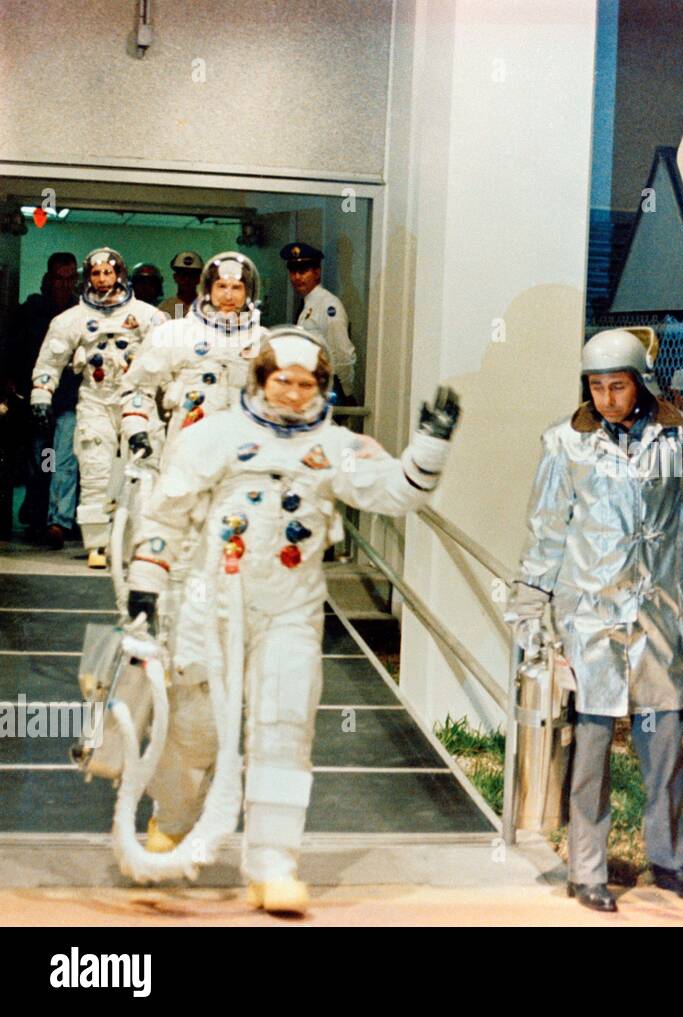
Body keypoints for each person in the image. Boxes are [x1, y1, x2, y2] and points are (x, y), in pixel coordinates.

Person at [124, 326, 461, 915]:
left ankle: (273, 863)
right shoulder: (215, 436)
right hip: (213, 601)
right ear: (260, 379)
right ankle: (172, 818)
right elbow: (167, 513)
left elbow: (395, 494)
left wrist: (428, 448)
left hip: (291, 607)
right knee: (195, 725)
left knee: (284, 729)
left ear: (321, 388)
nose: (294, 393)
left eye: (306, 384)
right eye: (283, 380)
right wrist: (146, 586)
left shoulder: (336, 445)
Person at [506, 328, 683, 914]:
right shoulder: (566, 444)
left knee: (664, 751)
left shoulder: (679, 437)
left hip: (660, 617)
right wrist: (530, 606)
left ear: (640, 382)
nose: (608, 398)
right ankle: (586, 868)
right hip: (592, 622)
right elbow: (547, 531)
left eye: (617, 386)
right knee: (590, 752)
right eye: (597, 387)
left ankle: (668, 859)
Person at [30, 248, 168, 568]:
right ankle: (98, 543)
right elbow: (51, 359)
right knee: (95, 471)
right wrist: (41, 395)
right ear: (88, 277)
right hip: (95, 400)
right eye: (96, 273)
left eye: (108, 272)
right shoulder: (73, 318)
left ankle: (137, 540)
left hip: (136, 399)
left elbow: (169, 360)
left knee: (142, 470)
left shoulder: (149, 316)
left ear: (119, 274)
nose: (103, 279)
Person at [120, 251, 266, 465]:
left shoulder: (261, 340)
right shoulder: (177, 332)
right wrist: (137, 426)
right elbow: (138, 385)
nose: (228, 295)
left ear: (248, 293)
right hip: (188, 440)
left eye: (236, 287)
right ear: (208, 290)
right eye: (221, 286)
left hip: (241, 447)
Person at [1, 252, 80, 547]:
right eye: (59, 277)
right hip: (37, 401)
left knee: (64, 462)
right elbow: (12, 349)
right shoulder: (32, 311)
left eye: (70, 278)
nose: (64, 284)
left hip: (68, 400)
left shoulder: (80, 313)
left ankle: (58, 521)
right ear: (49, 278)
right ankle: (39, 512)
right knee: (43, 460)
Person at [280, 241, 356, 398]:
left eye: (303, 271)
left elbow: (343, 353)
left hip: (327, 389)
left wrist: (345, 392)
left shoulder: (328, 305)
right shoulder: (306, 306)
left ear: (317, 273)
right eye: (293, 271)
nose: (297, 277)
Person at [160, 251, 202, 320]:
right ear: (175, 277)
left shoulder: (207, 307)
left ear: (199, 279)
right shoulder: (165, 308)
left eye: (192, 275)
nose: (187, 279)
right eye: (183, 275)